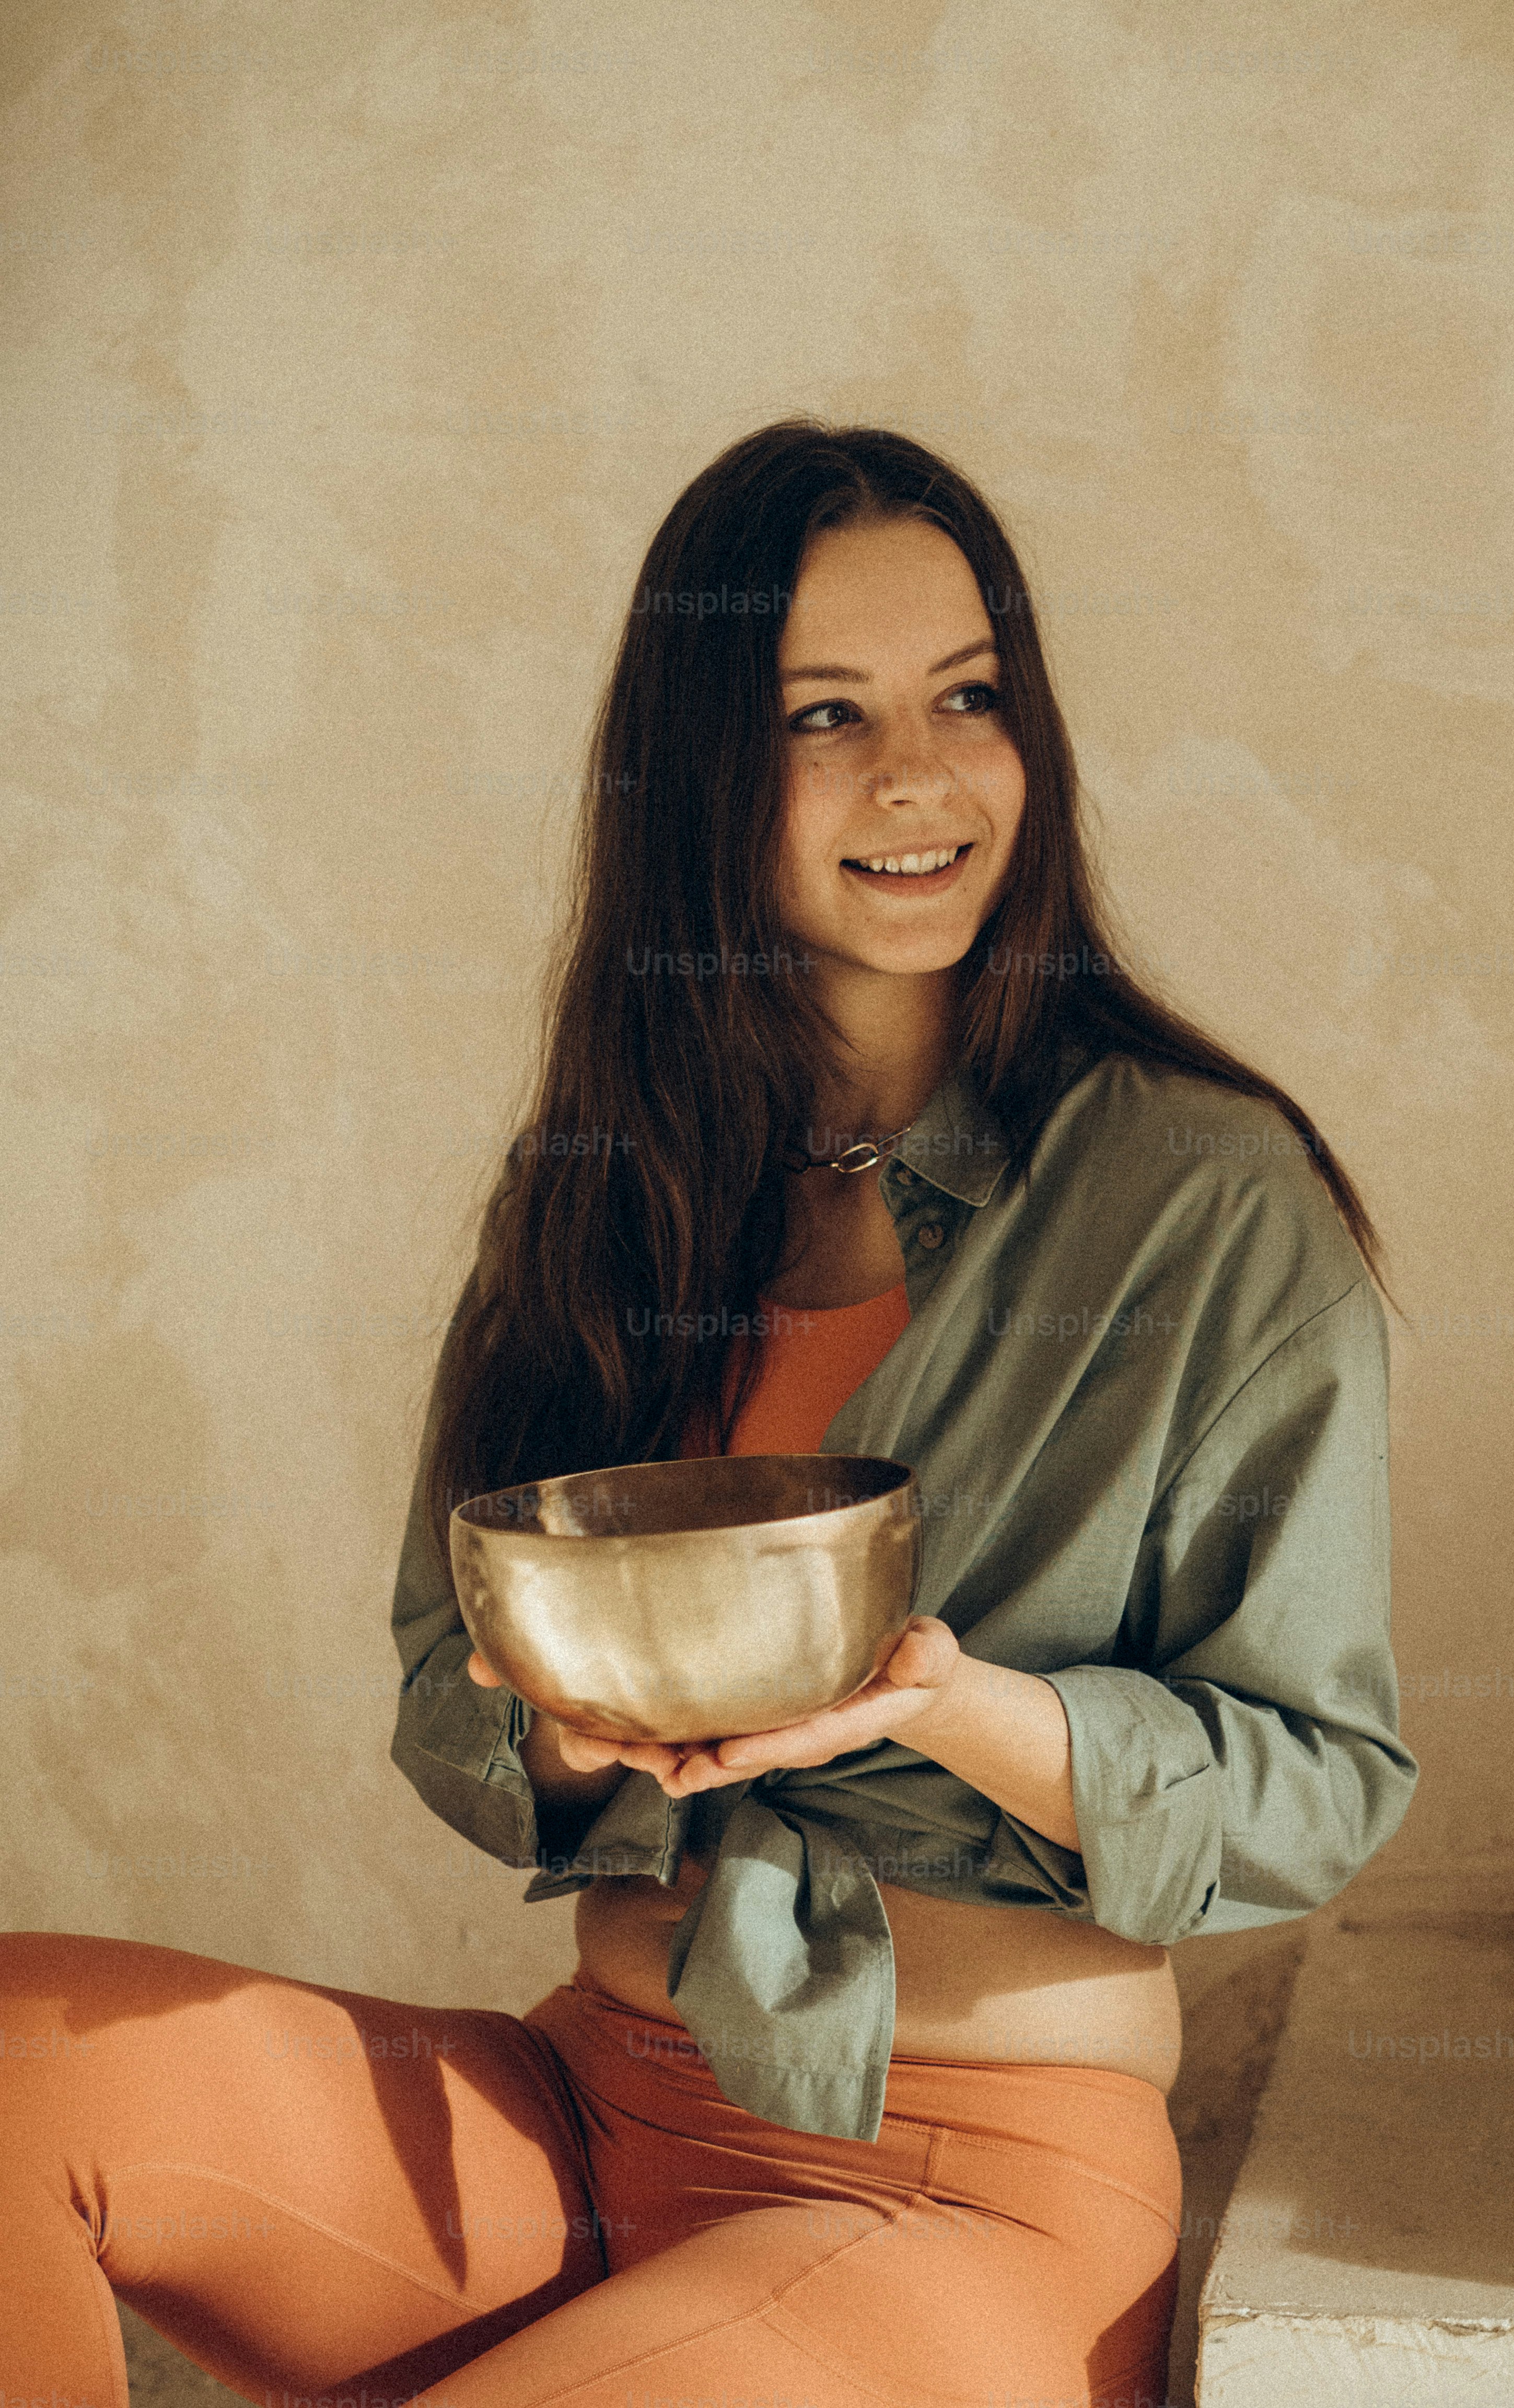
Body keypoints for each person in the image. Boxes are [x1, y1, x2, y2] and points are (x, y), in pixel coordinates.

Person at [0, 421, 1417, 2407]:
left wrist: (936, 1700)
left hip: (967, 2196)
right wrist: (571, 1746)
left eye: (968, 698)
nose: (918, 775)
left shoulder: (1203, 1201)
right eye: (824, 715)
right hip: (596, 2114)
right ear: (699, 776)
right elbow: (454, 1672)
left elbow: (1318, 1776)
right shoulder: (608, 1176)